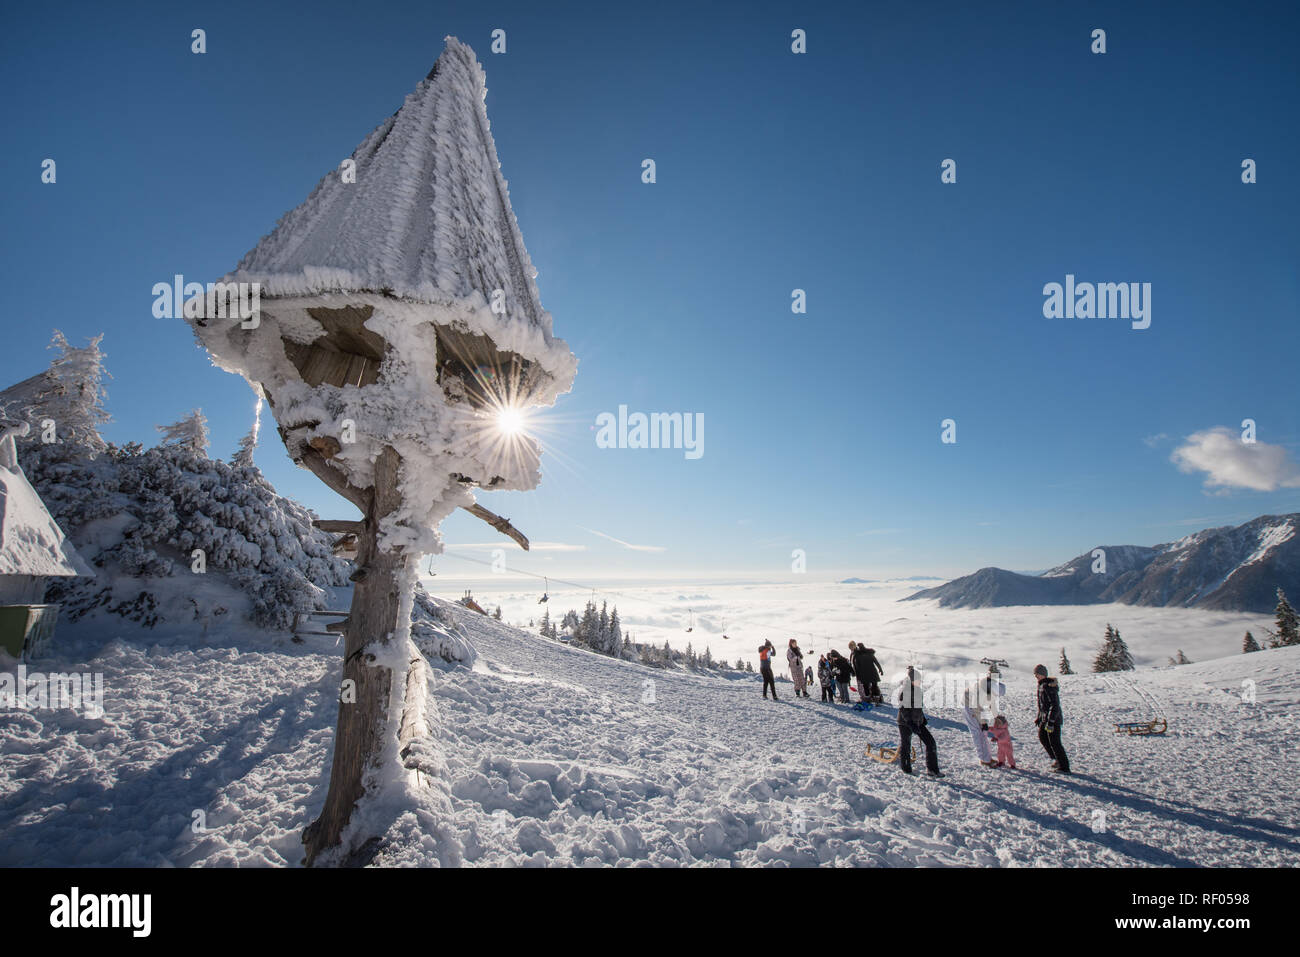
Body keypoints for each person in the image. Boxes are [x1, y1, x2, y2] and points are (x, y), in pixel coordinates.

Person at [896, 665, 942, 776]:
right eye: (917, 680)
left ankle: (932, 769)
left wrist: (922, 718)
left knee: (931, 743)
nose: (919, 682)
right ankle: (906, 768)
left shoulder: (918, 690)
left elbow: (917, 707)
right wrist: (910, 723)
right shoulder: (905, 691)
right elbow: (903, 709)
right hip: (905, 722)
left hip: (917, 721)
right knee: (906, 744)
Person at [1033, 664, 1070, 773]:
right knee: (1043, 737)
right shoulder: (1041, 685)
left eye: (1037, 674)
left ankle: (1064, 766)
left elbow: (1054, 705)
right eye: (1035, 674)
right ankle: (1058, 760)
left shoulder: (1048, 686)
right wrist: (1039, 717)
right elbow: (1042, 705)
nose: (1036, 676)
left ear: (1043, 674)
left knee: (1055, 742)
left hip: (1053, 720)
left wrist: (1051, 721)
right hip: (1045, 719)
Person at [962, 673, 1005, 767]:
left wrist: (996, 717)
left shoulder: (990, 687)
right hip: (970, 707)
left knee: (983, 732)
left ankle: (987, 757)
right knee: (978, 732)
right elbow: (976, 707)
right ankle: (984, 760)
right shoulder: (981, 689)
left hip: (978, 707)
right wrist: (983, 723)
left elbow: (991, 703)